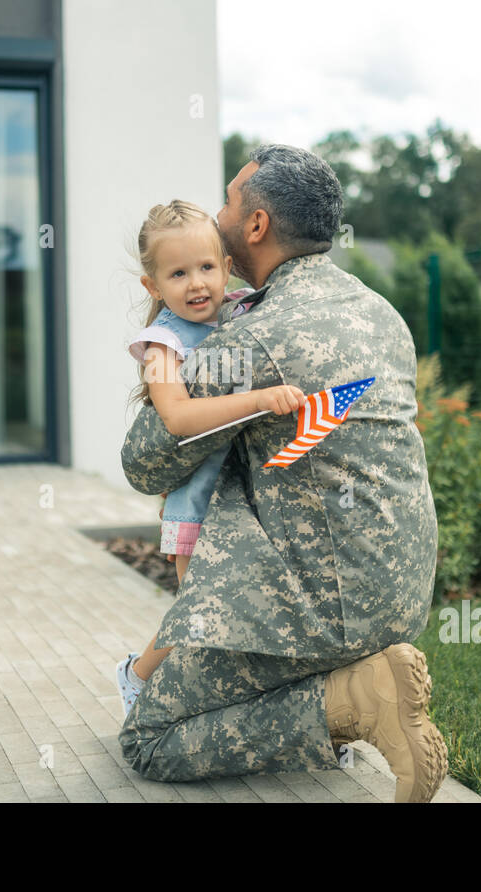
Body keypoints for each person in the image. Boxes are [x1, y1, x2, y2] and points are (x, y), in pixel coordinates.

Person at [117, 144, 449, 802]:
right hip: (407, 592)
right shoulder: (381, 313)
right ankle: (352, 681)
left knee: (147, 738)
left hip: (314, 608)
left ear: (257, 224)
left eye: (228, 202)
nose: (217, 217)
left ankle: (351, 701)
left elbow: (144, 461)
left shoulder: (253, 336)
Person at [114, 200, 306, 717]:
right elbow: (177, 417)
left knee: (236, 616)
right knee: (199, 615)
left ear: (226, 266)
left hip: (248, 497)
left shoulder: (241, 313)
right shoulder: (162, 346)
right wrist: (260, 400)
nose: (196, 284)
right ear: (153, 286)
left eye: (205, 267)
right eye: (178, 273)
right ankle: (138, 677)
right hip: (199, 504)